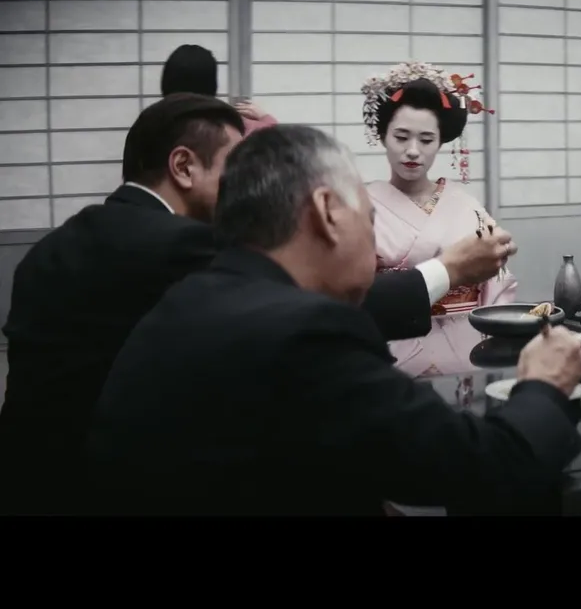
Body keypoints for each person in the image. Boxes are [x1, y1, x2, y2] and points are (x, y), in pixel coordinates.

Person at [0, 95, 473, 515]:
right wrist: (445, 271)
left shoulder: (56, 245)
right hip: (104, 487)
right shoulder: (182, 246)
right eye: (236, 166)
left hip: (29, 470)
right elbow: (299, 310)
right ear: (183, 166)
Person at [87, 125, 581, 516]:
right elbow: (483, 469)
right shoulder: (308, 334)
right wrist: (543, 386)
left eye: (427, 137)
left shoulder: (186, 299)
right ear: (327, 211)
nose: (413, 150)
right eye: (369, 220)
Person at [360, 61, 517, 377]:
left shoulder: (465, 204)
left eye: (426, 139)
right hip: (393, 343)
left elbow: (498, 282)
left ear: (441, 141)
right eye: (401, 137)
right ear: (382, 136)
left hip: (467, 343)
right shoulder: (361, 205)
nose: (413, 151)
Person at [160, 43, 277, 133]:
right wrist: (264, 116)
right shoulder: (226, 126)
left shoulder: (154, 123)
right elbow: (276, 138)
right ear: (211, 83)